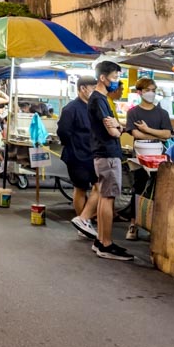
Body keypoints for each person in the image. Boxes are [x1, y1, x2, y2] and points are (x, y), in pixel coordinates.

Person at [88, 61, 133, 261]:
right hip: (107, 153)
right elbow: (113, 130)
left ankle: (100, 240)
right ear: (103, 77)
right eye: (114, 78)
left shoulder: (101, 99)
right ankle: (106, 243)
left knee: (104, 196)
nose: (116, 82)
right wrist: (120, 128)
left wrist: (118, 126)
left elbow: (115, 126)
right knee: (108, 198)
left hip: (104, 153)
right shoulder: (99, 100)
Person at [124, 77, 174, 241]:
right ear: (139, 92)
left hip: (159, 157)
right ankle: (133, 224)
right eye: (147, 90)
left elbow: (167, 134)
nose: (151, 94)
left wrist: (147, 129)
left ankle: (156, 225)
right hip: (139, 155)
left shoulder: (162, 113)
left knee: (158, 190)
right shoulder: (133, 112)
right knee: (138, 189)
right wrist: (155, 134)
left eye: (153, 90)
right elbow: (135, 134)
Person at [57, 76, 100, 239]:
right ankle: (83, 223)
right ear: (83, 88)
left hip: (94, 154)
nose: (95, 91)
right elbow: (63, 132)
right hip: (76, 155)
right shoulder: (71, 108)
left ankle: (83, 219)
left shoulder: (94, 107)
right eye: (93, 88)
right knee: (80, 188)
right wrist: (74, 147)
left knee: (99, 187)